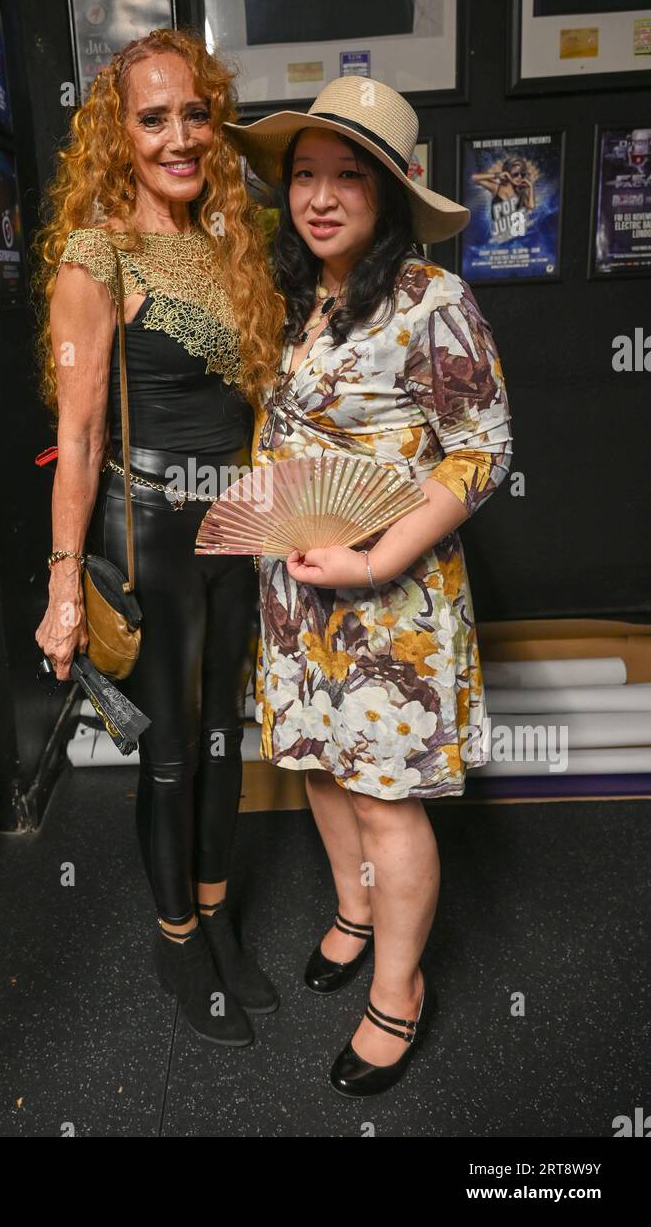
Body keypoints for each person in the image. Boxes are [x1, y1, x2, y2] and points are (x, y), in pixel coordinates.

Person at [224, 77, 513, 1094]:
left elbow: (484, 450)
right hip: (296, 592)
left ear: (390, 193)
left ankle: (399, 990)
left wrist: (376, 556)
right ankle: (353, 910)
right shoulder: (290, 291)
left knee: (389, 801)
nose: (321, 194)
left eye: (351, 175)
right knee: (318, 767)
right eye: (305, 173)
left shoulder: (432, 300)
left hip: (388, 600)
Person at [32, 29, 286, 1048]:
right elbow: (78, 434)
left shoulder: (238, 238)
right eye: (153, 117)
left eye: (193, 113)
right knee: (172, 750)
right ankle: (175, 937)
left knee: (227, 734)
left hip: (234, 524)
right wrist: (61, 585)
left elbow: (262, 400)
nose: (178, 135)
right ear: (118, 132)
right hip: (148, 528)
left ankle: (219, 917)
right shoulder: (99, 255)